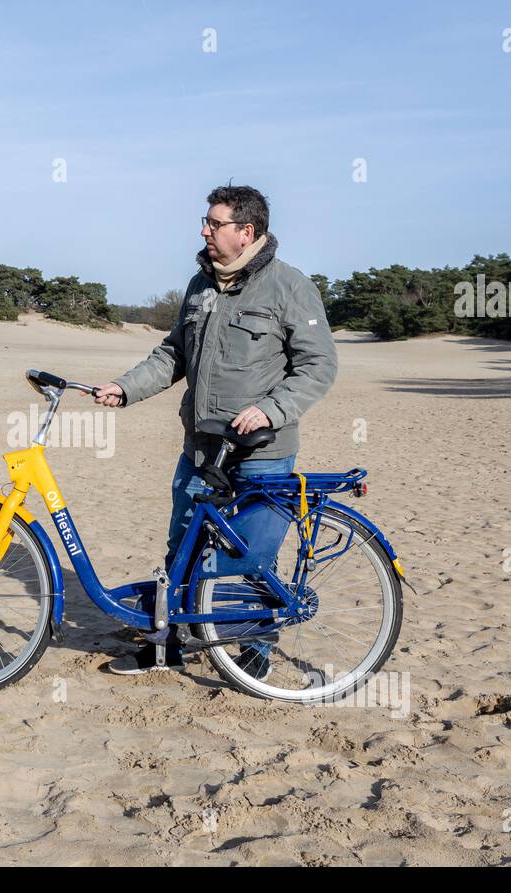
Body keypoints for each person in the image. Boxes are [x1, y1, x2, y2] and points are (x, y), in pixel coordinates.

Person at [93, 184, 338, 678]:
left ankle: (254, 651)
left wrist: (273, 409)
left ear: (246, 231)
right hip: (201, 449)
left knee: (250, 559)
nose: (204, 230)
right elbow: (173, 355)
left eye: (214, 222)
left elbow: (318, 365)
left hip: (262, 452)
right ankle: (168, 644)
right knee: (181, 548)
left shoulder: (290, 285)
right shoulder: (200, 286)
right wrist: (124, 389)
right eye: (206, 222)